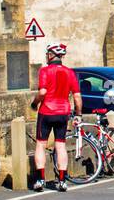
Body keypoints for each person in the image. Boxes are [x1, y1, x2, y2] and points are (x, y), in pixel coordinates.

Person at [33, 42, 82, 192]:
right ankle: (62, 181)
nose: (46, 56)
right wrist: (78, 114)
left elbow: (42, 92)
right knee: (60, 145)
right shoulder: (70, 72)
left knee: (41, 144)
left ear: (52, 55)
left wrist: (34, 103)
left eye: (47, 53)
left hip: (47, 111)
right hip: (63, 113)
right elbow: (77, 97)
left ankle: (40, 180)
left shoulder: (45, 71)